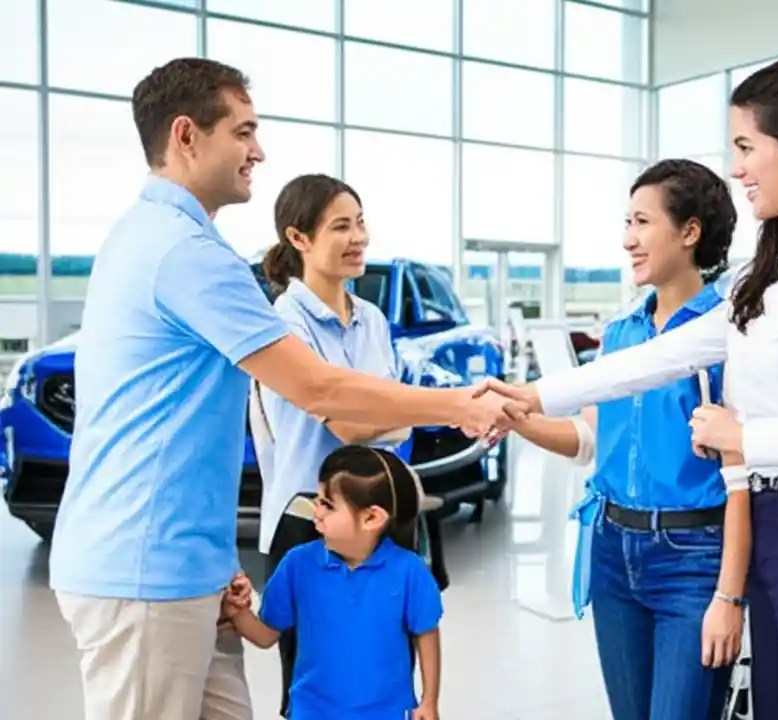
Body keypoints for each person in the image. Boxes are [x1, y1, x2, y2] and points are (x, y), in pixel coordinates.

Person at [48, 57, 521, 720]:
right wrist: (458, 405)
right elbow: (322, 391)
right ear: (187, 136)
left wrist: (215, 564)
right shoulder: (187, 254)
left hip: (188, 567)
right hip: (143, 571)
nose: (257, 151)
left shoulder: (153, 237)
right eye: (243, 133)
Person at [477, 57, 778, 719]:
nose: (736, 169)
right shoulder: (769, 274)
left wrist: (745, 437)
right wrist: (532, 396)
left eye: (745, 148)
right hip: (777, 523)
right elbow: (657, 359)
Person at [508, 159, 746, 720]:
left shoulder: (729, 336)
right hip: (613, 550)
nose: (627, 240)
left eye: (641, 223)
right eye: (627, 222)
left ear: (690, 233)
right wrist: (515, 418)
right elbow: (588, 438)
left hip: (693, 560)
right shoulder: (620, 336)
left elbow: (742, 480)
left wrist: (729, 597)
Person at [249, 172, 450, 717]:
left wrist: (390, 413)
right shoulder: (283, 323)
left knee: (383, 679)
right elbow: (351, 428)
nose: (359, 236)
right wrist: (397, 412)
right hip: (307, 523)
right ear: (299, 239)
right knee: (314, 688)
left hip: (378, 521)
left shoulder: (373, 320)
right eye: (342, 225)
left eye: (360, 223)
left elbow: (386, 418)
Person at [222, 446, 443, 720]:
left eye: (327, 504)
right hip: (312, 712)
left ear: (372, 518)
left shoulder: (409, 571)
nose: (316, 510)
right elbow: (266, 635)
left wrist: (429, 702)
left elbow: (426, 634)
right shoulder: (296, 565)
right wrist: (237, 612)